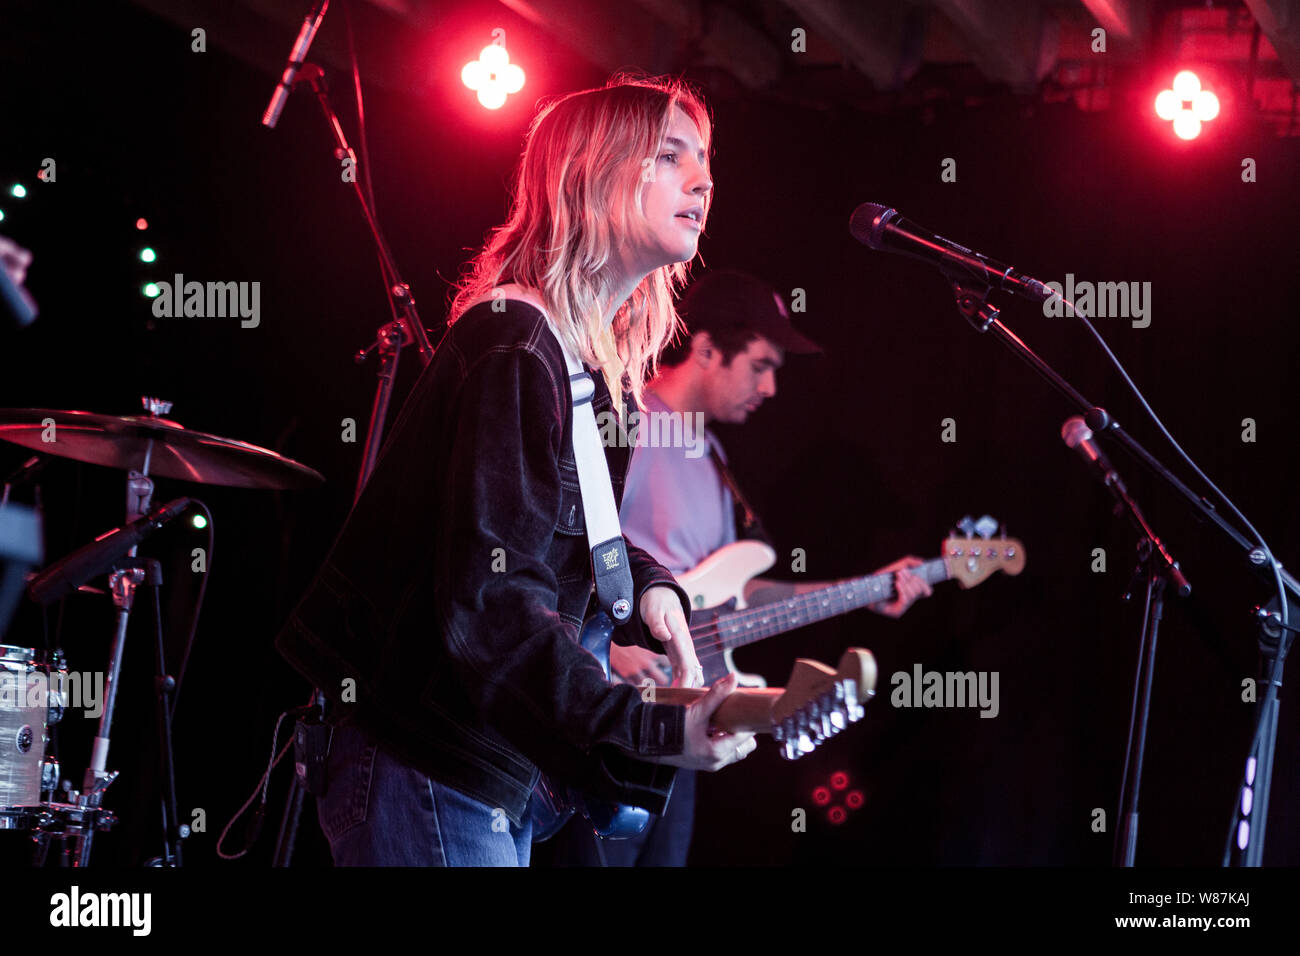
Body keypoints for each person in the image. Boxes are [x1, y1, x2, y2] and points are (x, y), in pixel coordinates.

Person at [275, 75, 757, 867]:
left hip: (481, 769)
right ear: (592, 173)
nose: (704, 181)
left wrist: (651, 588)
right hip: (431, 760)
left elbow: (549, 538)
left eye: (704, 161)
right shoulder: (514, 344)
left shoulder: (588, 370)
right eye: (671, 157)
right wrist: (650, 728)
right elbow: (494, 599)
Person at [546, 269, 933, 866]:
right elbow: (559, 547)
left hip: (684, 732)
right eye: (760, 364)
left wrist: (865, 591)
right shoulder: (628, 421)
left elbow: (736, 596)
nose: (772, 387)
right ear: (705, 348)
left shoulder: (714, 459)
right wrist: (610, 654)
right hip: (608, 717)